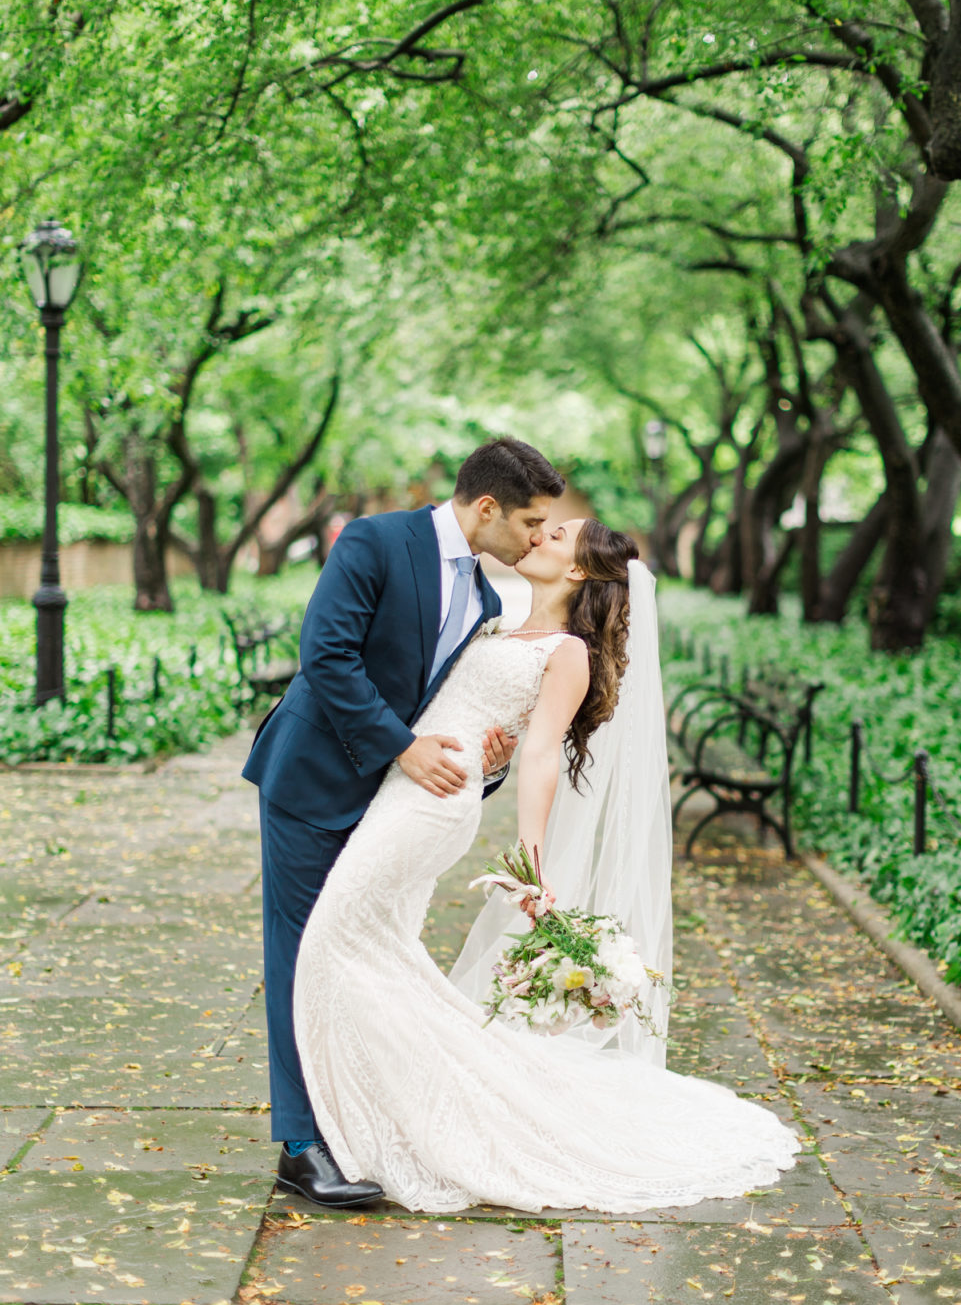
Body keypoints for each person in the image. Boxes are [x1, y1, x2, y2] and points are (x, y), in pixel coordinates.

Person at [293, 516, 800, 1213]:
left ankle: (387, 1116)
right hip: (403, 788)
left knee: (333, 941)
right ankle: (391, 1107)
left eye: (557, 534)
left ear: (578, 571)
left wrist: (531, 862)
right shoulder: (498, 624)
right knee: (375, 950)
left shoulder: (568, 653)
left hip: (433, 803)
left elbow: (540, 755)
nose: (539, 536)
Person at [243, 436, 567, 1208]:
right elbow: (327, 655)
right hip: (311, 779)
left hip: (392, 806)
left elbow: (451, 707)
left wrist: (486, 762)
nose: (535, 539)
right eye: (529, 522)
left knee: (362, 957)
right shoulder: (375, 541)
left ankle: (359, 1118)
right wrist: (404, 747)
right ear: (485, 508)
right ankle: (301, 1147)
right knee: (301, 954)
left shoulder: (488, 603)